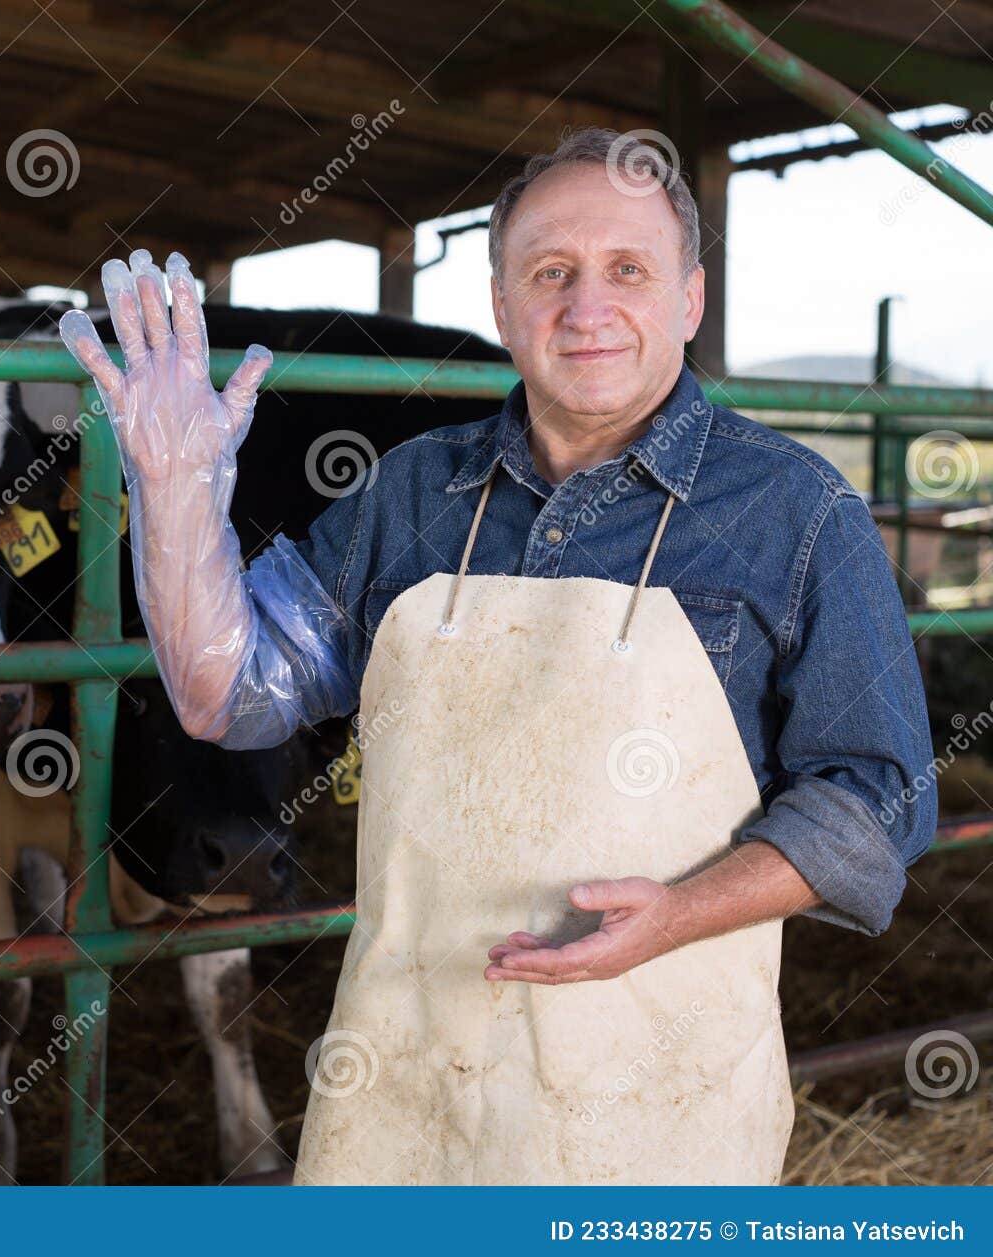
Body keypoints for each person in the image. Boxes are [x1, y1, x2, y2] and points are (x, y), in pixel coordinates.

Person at [60, 127, 935, 1185]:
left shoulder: (795, 512)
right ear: (501, 303)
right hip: (403, 1083)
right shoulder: (410, 491)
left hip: (649, 1098)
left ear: (690, 301)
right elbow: (226, 694)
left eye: (628, 271)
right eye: (549, 272)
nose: (586, 307)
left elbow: (880, 793)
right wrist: (175, 493)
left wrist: (680, 914)